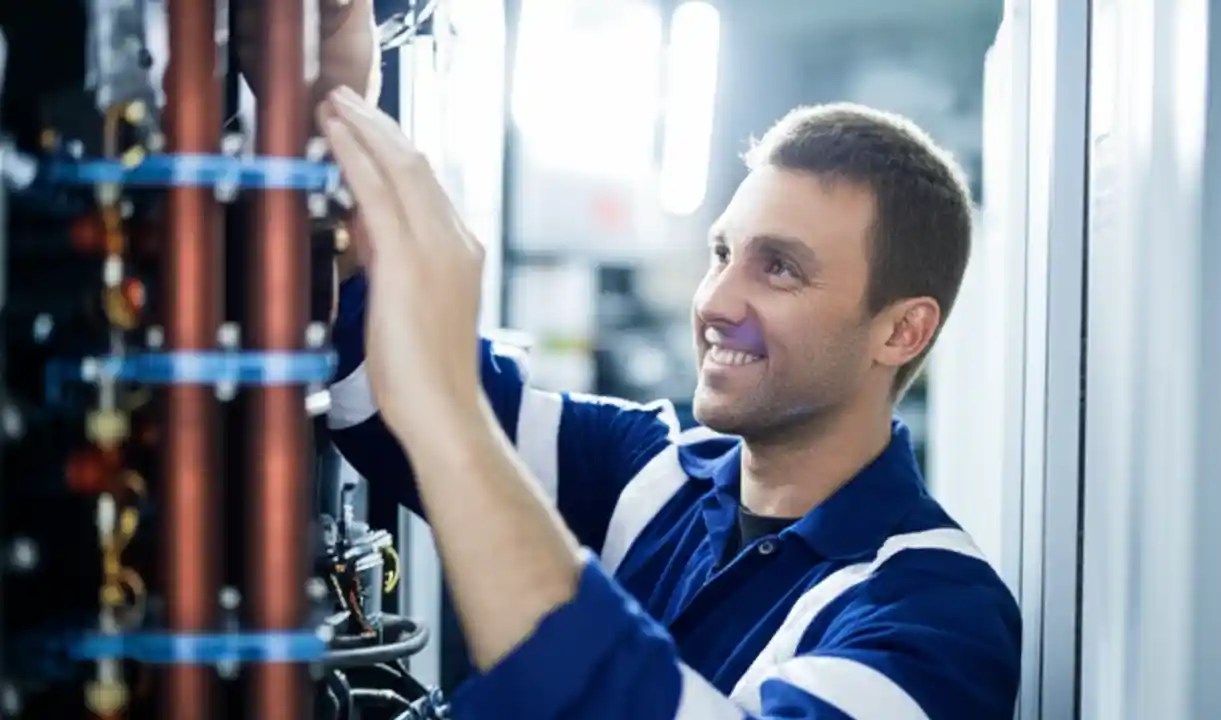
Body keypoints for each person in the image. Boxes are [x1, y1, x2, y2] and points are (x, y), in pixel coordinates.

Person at [310, 2, 1021, 717]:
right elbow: (385, 393)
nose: (716, 301)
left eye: (778, 268)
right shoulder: (653, 477)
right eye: (722, 253)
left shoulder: (933, 618)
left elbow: (443, 411)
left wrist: (451, 418)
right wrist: (325, 93)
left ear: (900, 333)